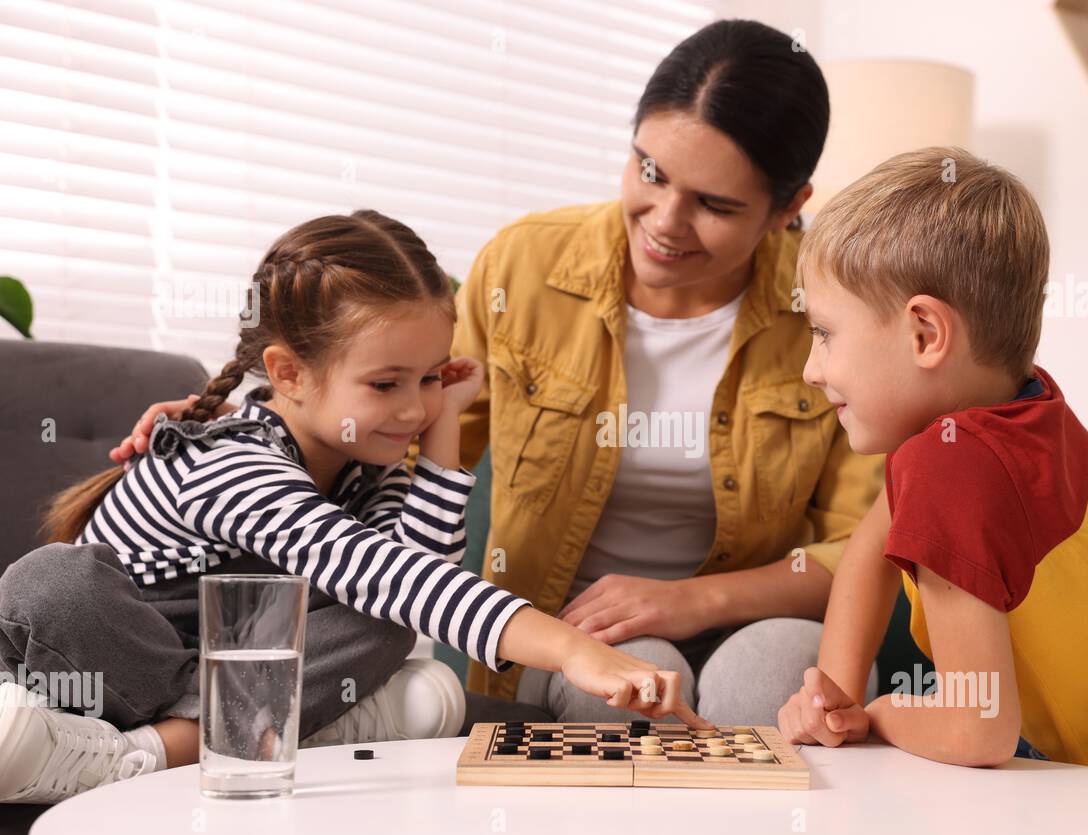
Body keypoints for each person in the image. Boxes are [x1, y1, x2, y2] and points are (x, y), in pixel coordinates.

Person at [109, 20, 885, 728]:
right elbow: (402, 447)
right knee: (624, 689)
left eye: (713, 203)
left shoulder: (830, 303)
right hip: (569, 620)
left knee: (776, 672)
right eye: (649, 170)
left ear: (789, 207)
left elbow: (869, 541)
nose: (664, 220)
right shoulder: (525, 264)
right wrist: (262, 419)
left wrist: (692, 598)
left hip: (758, 611)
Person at [0, 210, 703, 806]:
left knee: (383, 619)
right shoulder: (235, 462)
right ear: (288, 373)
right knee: (52, 582)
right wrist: (576, 652)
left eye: (430, 376)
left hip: (221, 670)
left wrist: (441, 429)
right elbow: (395, 575)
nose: (412, 404)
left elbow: (413, 576)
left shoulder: (363, 460)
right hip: (105, 661)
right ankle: (240, 734)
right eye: (386, 382)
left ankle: (179, 743)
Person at [777, 147, 1088, 795]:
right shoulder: (1020, 405)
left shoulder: (949, 463)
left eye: (825, 333)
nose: (811, 369)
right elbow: (867, 555)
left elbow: (977, 730)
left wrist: (874, 713)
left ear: (924, 333)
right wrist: (831, 693)